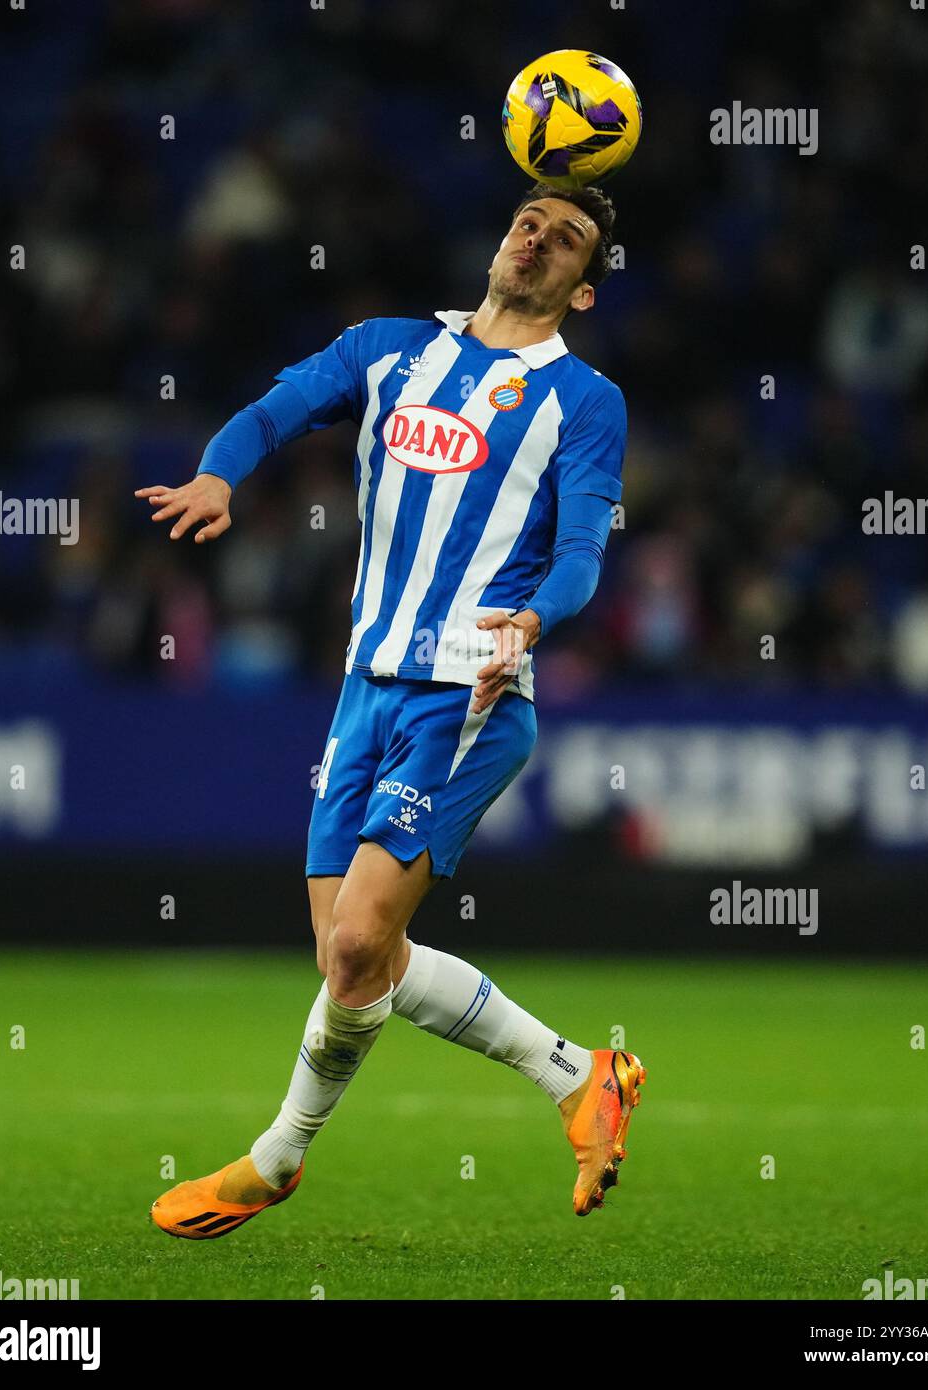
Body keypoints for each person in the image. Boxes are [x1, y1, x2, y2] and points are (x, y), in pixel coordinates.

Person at [138, 182, 645, 1239]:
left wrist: (533, 620)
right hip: (363, 690)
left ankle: (275, 1157)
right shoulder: (387, 347)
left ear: (582, 290)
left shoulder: (582, 400)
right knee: (351, 964)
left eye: (565, 241)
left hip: (469, 689)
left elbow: (584, 551)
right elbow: (272, 410)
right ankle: (579, 1073)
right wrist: (219, 476)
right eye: (526, 221)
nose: (535, 241)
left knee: (363, 941)